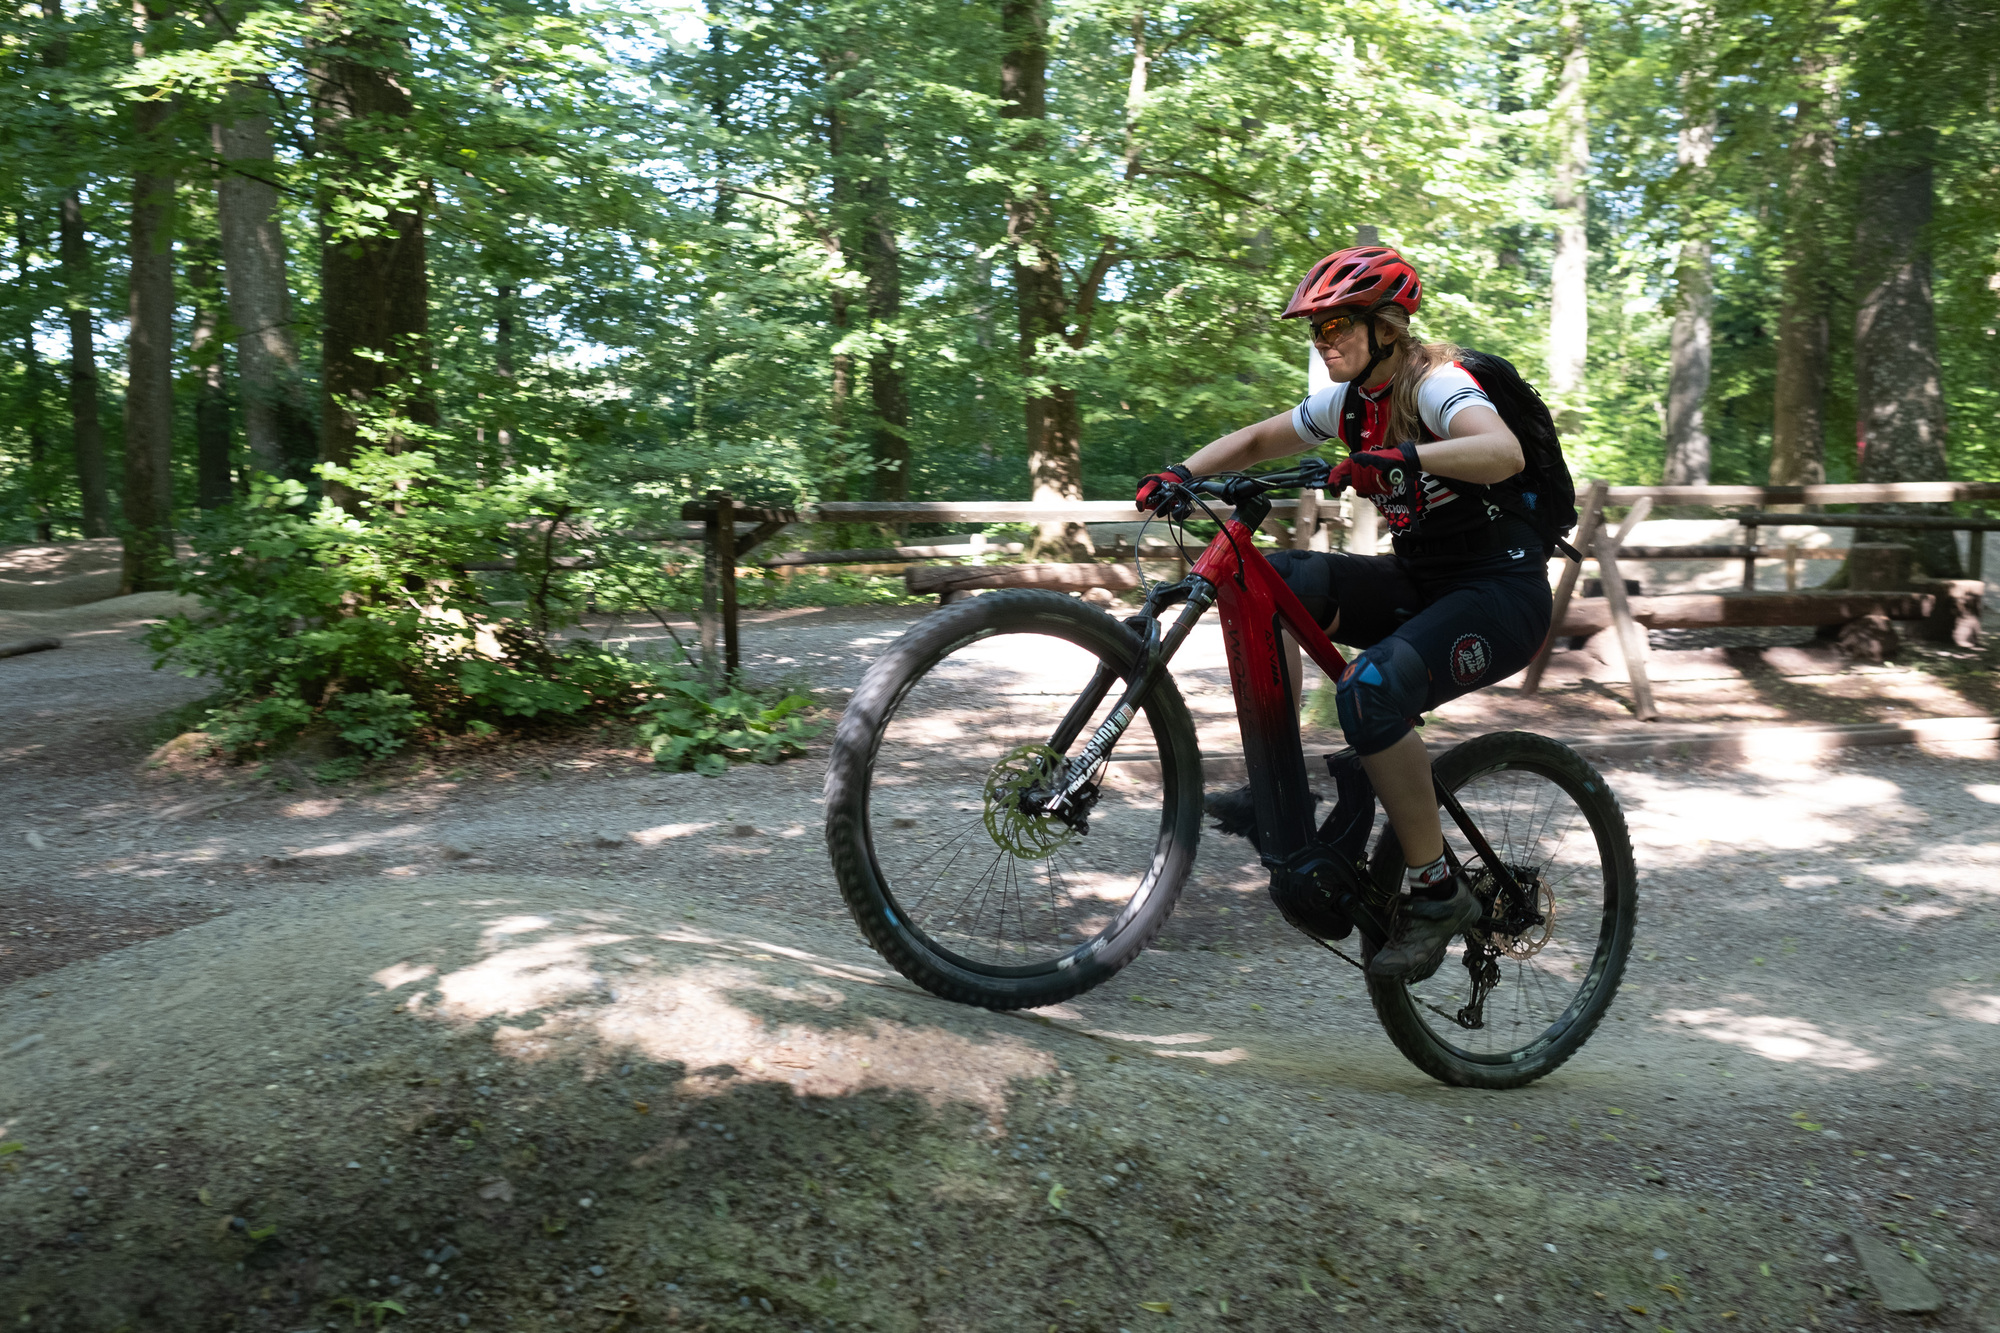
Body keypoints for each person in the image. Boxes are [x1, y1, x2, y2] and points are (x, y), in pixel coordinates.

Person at [1134, 245, 1552, 982]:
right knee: (1270, 581)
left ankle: (1437, 889)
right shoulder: (1353, 401)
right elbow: (1264, 436)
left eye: (1337, 328)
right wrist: (1181, 472)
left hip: (1499, 594)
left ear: (1385, 327)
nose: (1323, 343)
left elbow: (1502, 451)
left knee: (1369, 688)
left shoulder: (1435, 384)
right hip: (1421, 580)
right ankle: (1281, 792)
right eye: (1315, 332)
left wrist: (1404, 460)